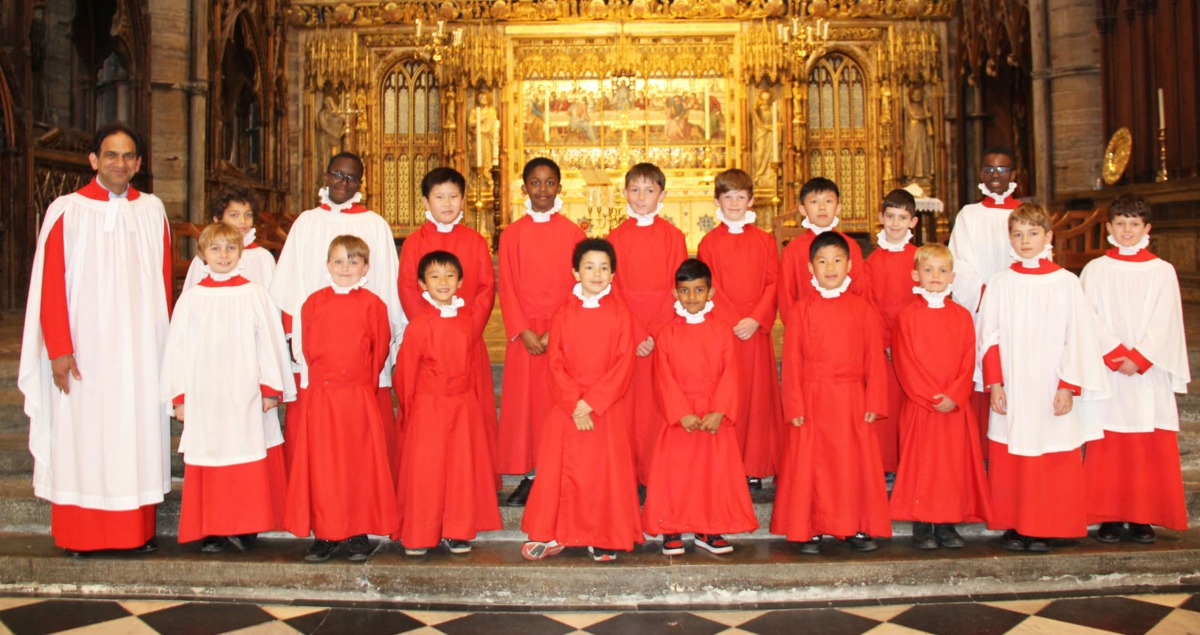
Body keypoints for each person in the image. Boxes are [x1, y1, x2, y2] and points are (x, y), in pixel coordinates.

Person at [19, 122, 171, 556]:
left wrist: (163, 349)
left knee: (134, 430)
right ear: (93, 160)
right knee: (84, 433)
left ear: (139, 163)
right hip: (83, 350)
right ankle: (80, 534)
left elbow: (162, 286)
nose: (120, 164)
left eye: (128, 156)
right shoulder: (66, 211)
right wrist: (59, 350)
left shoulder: (152, 210)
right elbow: (51, 286)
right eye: (110, 155)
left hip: (140, 348)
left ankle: (135, 531)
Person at [978, 203, 1108, 553]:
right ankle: (1018, 524)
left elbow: (1077, 337)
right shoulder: (1001, 282)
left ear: (1048, 237)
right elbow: (988, 337)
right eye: (1018, 234)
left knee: (1051, 451)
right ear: (1009, 239)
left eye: (1033, 233)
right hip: (1014, 384)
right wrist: (995, 383)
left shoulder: (1066, 282)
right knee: (1014, 452)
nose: (1025, 241)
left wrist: (1068, 386)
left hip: (1052, 383)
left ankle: (1048, 525)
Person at [162, 223, 294, 553]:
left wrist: (269, 388)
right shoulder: (191, 299)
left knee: (246, 457)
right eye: (216, 249)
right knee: (212, 457)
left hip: (245, 390)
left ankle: (247, 525)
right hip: (206, 394)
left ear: (241, 253)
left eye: (231, 248)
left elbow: (269, 342)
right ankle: (214, 528)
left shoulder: (254, 293)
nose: (224, 255)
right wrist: (179, 396)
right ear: (202, 255)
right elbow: (176, 348)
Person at [269, 152, 404, 475]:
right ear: (326, 176)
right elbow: (289, 283)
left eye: (352, 178)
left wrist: (383, 341)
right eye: (338, 175)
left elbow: (386, 286)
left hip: (360, 347)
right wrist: (292, 333)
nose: (344, 183)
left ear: (361, 183)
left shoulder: (375, 225)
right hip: (316, 345)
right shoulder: (307, 222)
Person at [1077, 193, 1190, 544]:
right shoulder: (1095, 270)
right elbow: (1086, 317)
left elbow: (1166, 320)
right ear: (1108, 227)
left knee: (1145, 444)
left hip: (1146, 373)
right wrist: (1114, 353)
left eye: (1134, 224)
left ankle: (1142, 516)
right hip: (1108, 369)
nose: (1127, 230)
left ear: (1147, 229)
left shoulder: (1162, 271)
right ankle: (1109, 516)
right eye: (1121, 223)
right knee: (1108, 443)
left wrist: (1139, 358)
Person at [521, 239, 642, 562]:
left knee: (603, 475)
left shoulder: (620, 315)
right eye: (589, 267)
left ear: (613, 274)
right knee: (559, 470)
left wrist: (592, 402)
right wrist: (575, 403)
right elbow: (555, 362)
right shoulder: (562, 314)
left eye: (604, 267)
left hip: (604, 408)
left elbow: (623, 363)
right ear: (576, 272)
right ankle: (553, 533)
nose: (597, 273)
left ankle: (603, 535)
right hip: (568, 407)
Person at [770, 232, 890, 555]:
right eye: (822, 261)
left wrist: (875, 399)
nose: (830, 267)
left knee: (852, 464)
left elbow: (875, 360)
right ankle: (810, 527)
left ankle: (856, 526)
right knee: (814, 466)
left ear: (850, 265)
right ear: (811, 269)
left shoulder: (863, 309)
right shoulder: (801, 310)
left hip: (852, 398)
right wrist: (793, 403)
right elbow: (792, 361)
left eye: (837, 260)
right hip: (812, 398)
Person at [284, 235, 400, 562]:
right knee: (324, 466)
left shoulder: (374, 305)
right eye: (338, 261)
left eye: (353, 261)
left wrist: (359, 380)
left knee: (357, 464)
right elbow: (306, 348)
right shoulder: (313, 303)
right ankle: (325, 532)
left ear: (366, 266)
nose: (345, 268)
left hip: (358, 396)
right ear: (327, 266)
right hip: (322, 396)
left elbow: (379, 350)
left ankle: (358, 531)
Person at [643, 259, 757, 556]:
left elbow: (731, 372)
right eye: (685, 291)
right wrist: (682, 413)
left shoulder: (721, 331)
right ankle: (671, 528)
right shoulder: (667, 333)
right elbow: (662, 376)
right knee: (676, 474)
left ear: (711, 292)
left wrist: (719, 410)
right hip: (680, 416)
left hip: (712, 415)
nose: (692, 297)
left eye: (698, 290)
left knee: (712, 475)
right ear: (675, 293)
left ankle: (709, 528)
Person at [393, 251, 503, 556]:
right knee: (426, 470)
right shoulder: (417, 326)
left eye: (450, 276)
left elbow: (470, 365)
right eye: (435, 276)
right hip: (428, 407)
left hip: (462, 405)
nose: (443, 282)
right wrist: (412, 409)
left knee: (459, 469)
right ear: (422, 284)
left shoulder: (467, 323)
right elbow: (405, 373)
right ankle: (420, 531)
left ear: (461, 282)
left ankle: (457, 530)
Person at [398, 167, 497, 484]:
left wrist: (467, 331)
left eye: (454, 196)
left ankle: (472, 484)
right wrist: (428, 333)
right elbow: (407, 288)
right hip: (428, 349)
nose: (447, 203)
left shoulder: (475, 241)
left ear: (464, 200)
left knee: (471, 418)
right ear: (425, 202)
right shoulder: (415, 243)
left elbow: (485, 288)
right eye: (439, 197)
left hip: (466, 343)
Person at [888, 243, 991, 549]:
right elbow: (905, 362)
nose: (936, 275)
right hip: (922, 407)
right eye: (929, 269)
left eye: (942, 270)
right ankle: (922, 524)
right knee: (921, 464)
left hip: (954, 408)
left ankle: (947, 523)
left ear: (952, 277)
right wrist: (930, 397)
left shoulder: (961, 317)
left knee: (950, 467)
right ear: (915, 274)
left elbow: (967, 359)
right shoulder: (907, 317)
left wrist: (955, 395)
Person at [497, 158, 586, 506]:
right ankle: (531, 474)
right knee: (526, 409)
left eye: (550, 184)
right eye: (536, 183)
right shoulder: (512, 235)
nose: (543, 190)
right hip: (525, 337)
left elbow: (577, 286)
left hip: (561, 336)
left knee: (555, 405)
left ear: (560, 188)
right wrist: (522, 329)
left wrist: (553, 331)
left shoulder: (573, 234)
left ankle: (558, 473)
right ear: (524, 189)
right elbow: (506, 284)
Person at [696, 169, 782, 489]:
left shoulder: (765, 241)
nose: (734, 203)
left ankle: (755, 464)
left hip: (754, 332)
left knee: (756, 398)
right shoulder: (709, 243)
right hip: (725, 332)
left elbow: (773, 282)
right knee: (729, 396)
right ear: (717, 200)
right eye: (728, 197)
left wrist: (756, 319)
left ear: (751, 200)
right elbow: (710, 285)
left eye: (740, 197)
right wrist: (733, 321)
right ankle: (727, 460)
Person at [607, 163, 688, 487]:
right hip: (629, 336)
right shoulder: (615, 238)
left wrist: (656, 333)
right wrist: (638, 333)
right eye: (635, 190)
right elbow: (612, 287)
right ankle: (627, 473)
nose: (642, 197)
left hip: (662, 335)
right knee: (628, 409)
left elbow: (679, 287)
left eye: (649, 190)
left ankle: (658, 471)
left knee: (658, 405)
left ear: (662, 195)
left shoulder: (674, 237)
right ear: (625, 193)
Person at [947, 145, 1022, 456]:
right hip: (979, 310)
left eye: (1002, 170)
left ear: (1013, 175)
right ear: (980, 174)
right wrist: (989, 296)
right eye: (989, 169)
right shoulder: (969, 215)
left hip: (1019, 313)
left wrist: (1014, 298)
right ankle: (980, 454)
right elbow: (959, 263)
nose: (995, 176)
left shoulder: (1025, 215)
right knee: (982, 377)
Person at [863, 189, 920, 475]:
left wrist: (909, 342)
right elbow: (870, 304)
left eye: (902, 218)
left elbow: (925, 300)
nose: (896, 224)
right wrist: (885, 341)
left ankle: (909, 461)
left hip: (913, 345)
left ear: (913, 222)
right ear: (880, 219)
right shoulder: (872, 262)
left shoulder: (919, 258)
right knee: (886, 403)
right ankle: (886, 464)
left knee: (911, 404)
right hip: (883, 346)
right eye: (890, 217)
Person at [777, 177, 869, 324]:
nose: (822, 207)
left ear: (838, 208)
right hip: (806, 327)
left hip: (845, 325)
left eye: (828, 201)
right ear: (802, 209)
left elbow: (860, 291)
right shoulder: (792, 250)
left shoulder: (851, 246)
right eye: (814, 202)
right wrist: (796, 328)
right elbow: (786, 297)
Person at [183, 185, 275, 291]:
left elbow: (271, 301)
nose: (243, 221)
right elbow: (193, 295)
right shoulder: (206, 258)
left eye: (248, 215)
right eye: (234, 215)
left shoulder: (263, 257)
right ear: (217, 219)